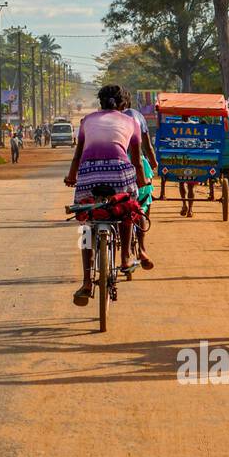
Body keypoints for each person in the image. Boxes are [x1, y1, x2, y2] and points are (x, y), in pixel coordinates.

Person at [63, 84, 150, 305]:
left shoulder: (87, 121)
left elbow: (77, 156)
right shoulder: (132, 122)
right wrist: (141, 180)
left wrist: (72, 177)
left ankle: (85, 281)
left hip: (88, 174)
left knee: (86, 220)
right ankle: (125, 258)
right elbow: (138, 161)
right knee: (128, 209)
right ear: (123, 104)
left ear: (100, 102)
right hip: (119, 172)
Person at [120, 89, 157, 264]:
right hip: (138, 164)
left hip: (117, 165)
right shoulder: (138, 117)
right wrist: (154, 163)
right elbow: (147, 146)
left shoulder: (106, 118)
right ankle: (142, 249)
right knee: (142, 207)